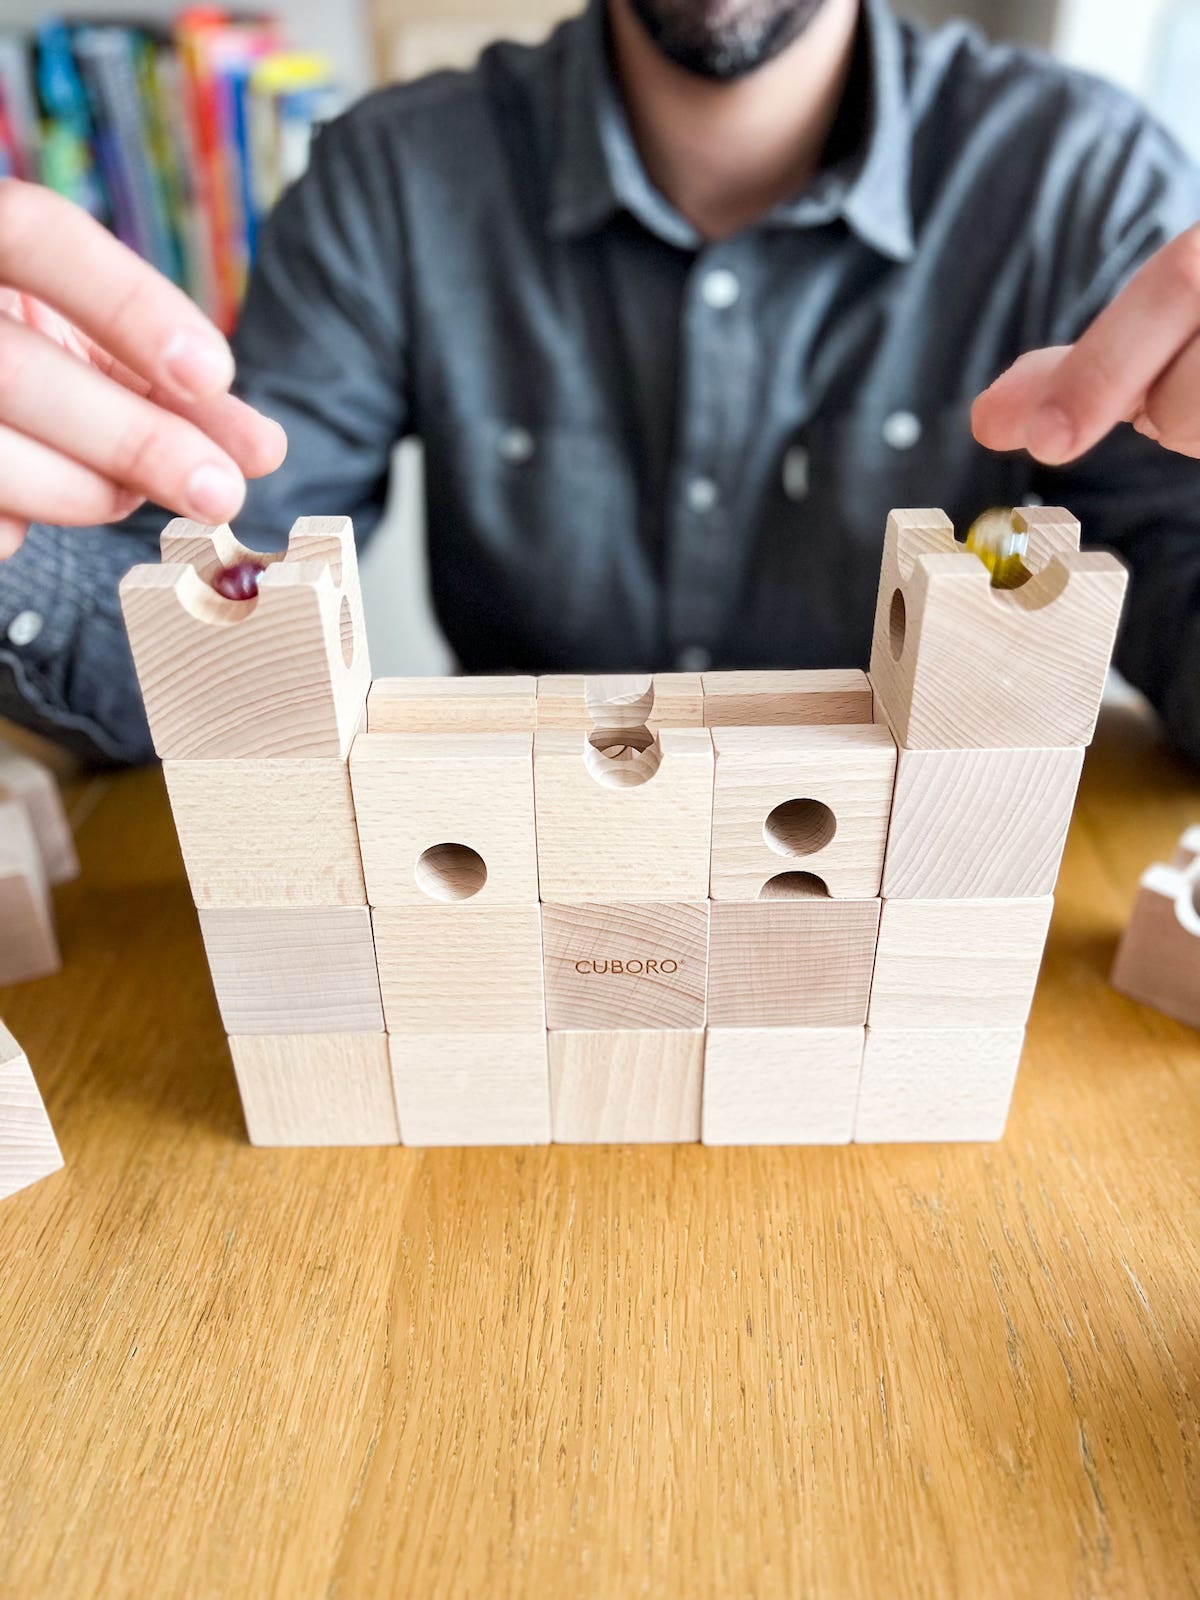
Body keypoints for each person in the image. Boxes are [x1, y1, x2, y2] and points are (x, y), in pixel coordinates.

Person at [1, 0, 1199, 765]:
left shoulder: (1082, 182)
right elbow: (200, 662)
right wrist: (14, 548)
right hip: (508, 925)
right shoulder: (393, 176)